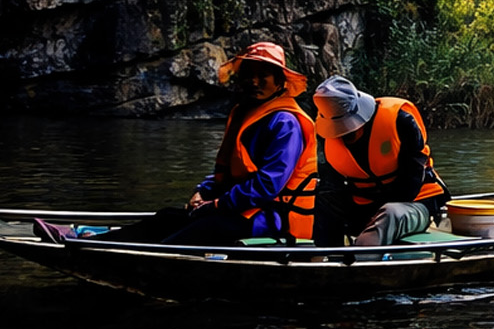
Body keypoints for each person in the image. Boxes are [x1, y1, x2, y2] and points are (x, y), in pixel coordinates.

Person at [37, 42, 318, 246]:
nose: (254, 81)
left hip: (272, 217)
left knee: (199, 229)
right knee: (168, 217)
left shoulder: (286, 123)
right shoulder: (245, 112)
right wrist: (202, 191)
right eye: (248, 74)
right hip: (241, 209)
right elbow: (229, 170)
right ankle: (90, 240)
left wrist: (214, 205)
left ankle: (103, 246)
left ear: (279, 81)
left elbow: (267, 186)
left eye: (263, 75)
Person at [311, 76, 448, 246]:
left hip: (415, 203)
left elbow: (413, 176)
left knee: (390, 212)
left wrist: (377, 212)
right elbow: (331, 184)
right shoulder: (328, 138)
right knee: (323, 200)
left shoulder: (401, 121)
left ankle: (362, 256)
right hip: (367, 206)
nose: (344, 134)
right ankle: (327, 255)